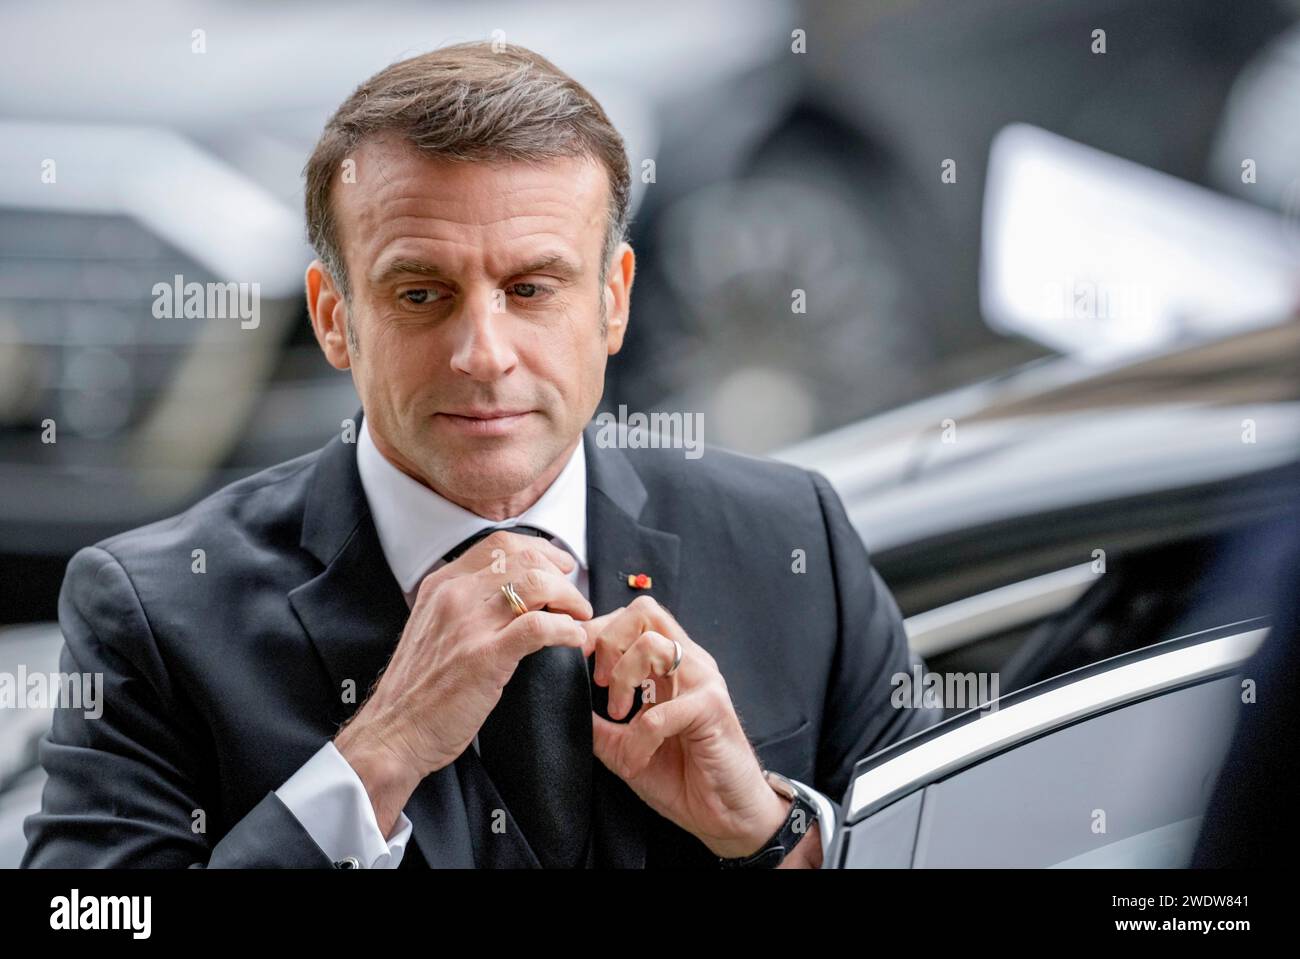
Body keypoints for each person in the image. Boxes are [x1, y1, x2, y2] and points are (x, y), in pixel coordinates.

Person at [22, 41, 942, 869]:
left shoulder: (794, 543)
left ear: (613, 301)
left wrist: (779, 837)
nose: (484, 354)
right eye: (421, 294)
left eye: (532, 287)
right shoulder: (152, 612)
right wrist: (375, 755)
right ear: (335, 318)